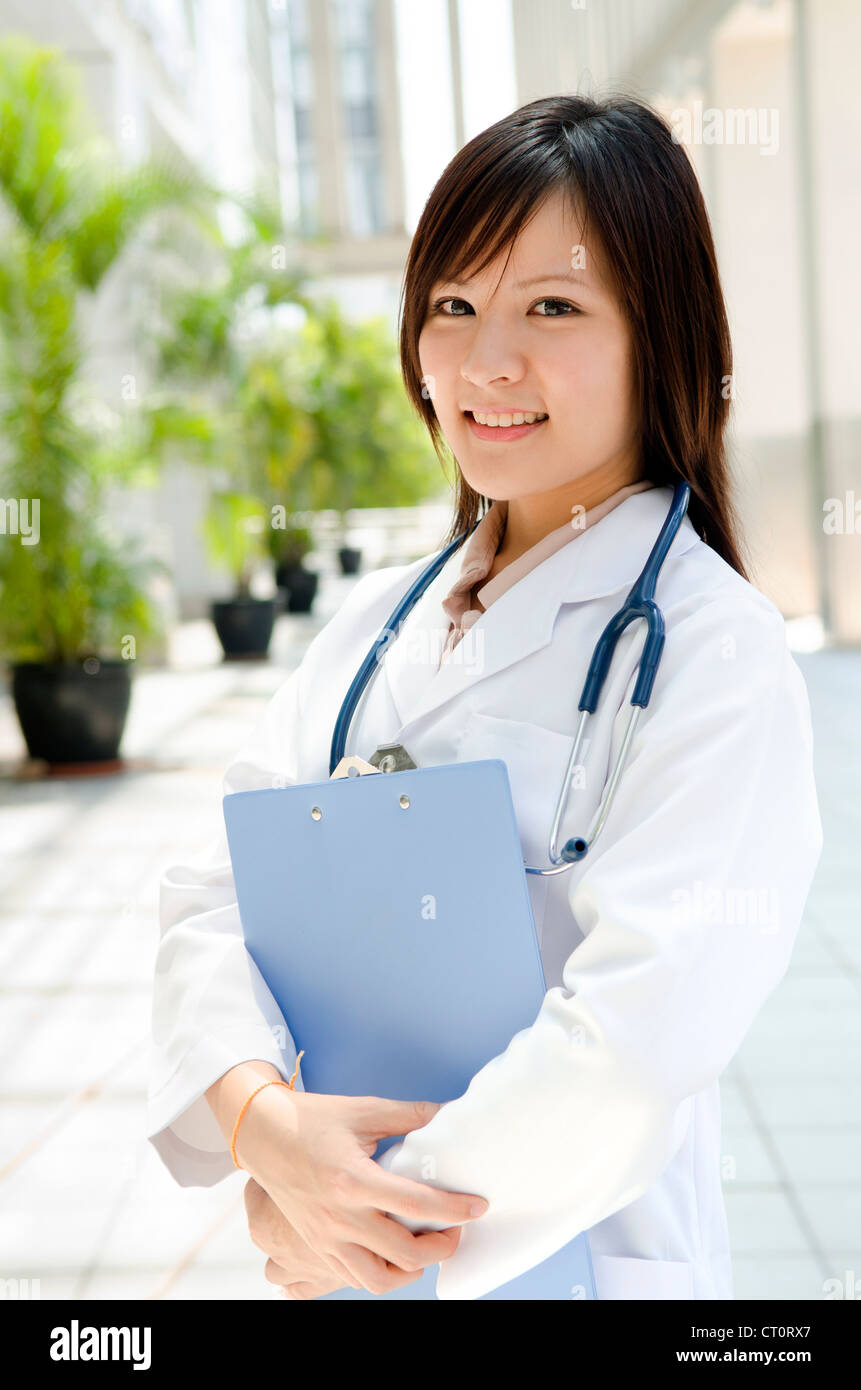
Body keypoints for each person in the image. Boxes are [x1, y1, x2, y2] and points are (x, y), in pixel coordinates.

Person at [147, 93, 823, 1301]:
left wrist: (357, 1225)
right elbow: (210, 892)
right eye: (452, 306)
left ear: (657, 337)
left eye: (550, 308)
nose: (485, 362)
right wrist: (260, 1126)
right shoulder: (370, 628)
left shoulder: (719, 656)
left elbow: (631, 1047)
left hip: (558, 1271)